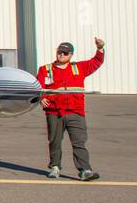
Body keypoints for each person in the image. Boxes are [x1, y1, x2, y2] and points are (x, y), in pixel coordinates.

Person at [36, 37, 105, 181]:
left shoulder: (79, 67)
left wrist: (99, 49)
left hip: (75, 111)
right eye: (60, 52)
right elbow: (38, 87)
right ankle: (54, 168)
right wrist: (41, 98)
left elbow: (96, 62)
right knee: (54, 141)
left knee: (79, 142)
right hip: (54, 112)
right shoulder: (45, 69)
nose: (61, 55)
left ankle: (85, 170)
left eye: (65, 53)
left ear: (71, 55)